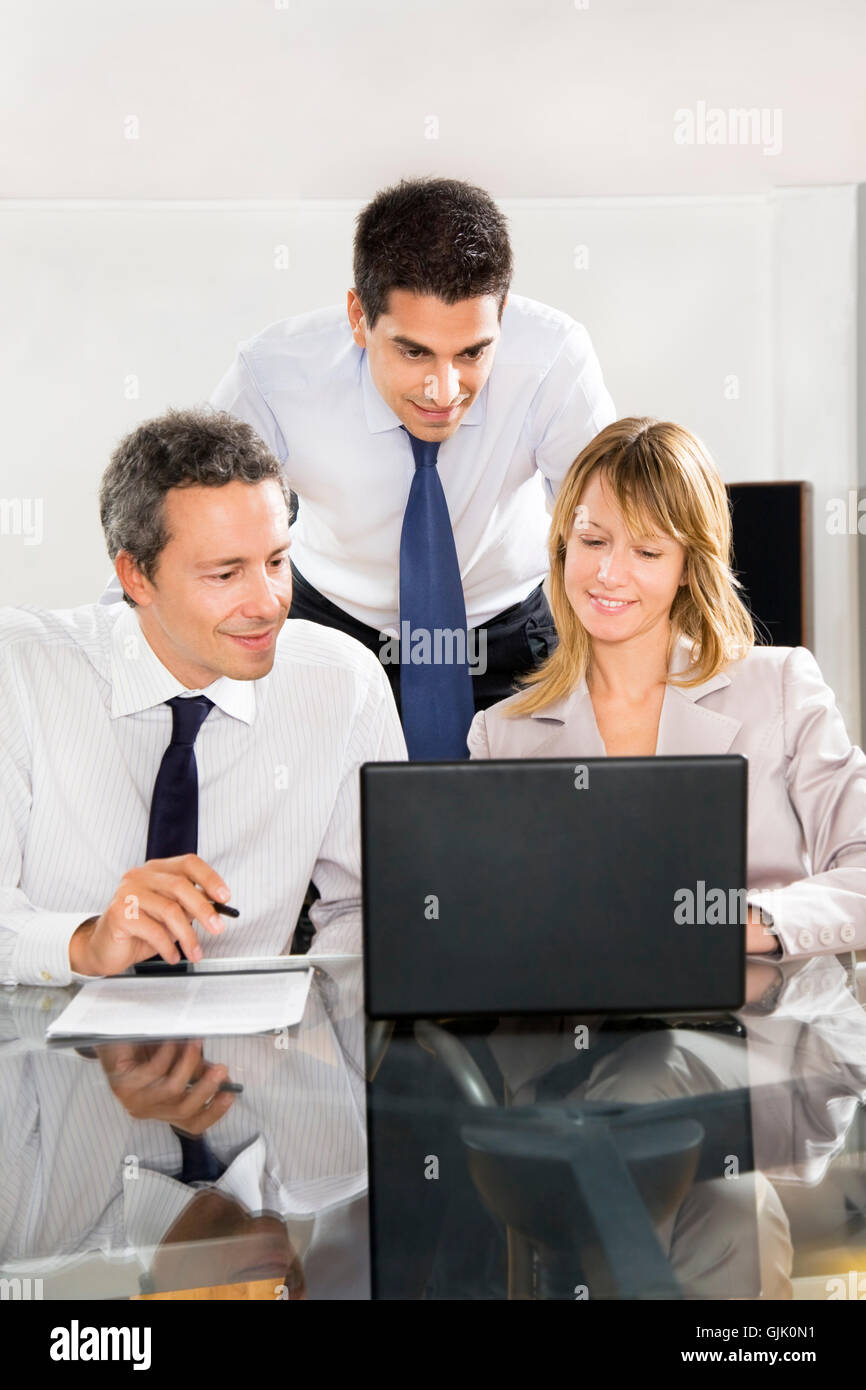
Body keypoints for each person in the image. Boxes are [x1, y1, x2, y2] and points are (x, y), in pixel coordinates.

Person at [202, 176, 616, 759]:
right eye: (414, 351)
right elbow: (195, 522)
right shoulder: (273, 375)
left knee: (526, 836)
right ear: (358, 318)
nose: (442, 390)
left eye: (472, 353)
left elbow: (613, 528)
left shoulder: (553, 358)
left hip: (504, 634)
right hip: (332, 628)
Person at [0, 408, 406, 988]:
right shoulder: (18, 667)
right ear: (135, 576)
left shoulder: (345, 682)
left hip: (258, 1063)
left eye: (276, 561)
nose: (268, 603)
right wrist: (87, 942)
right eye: (225, 574)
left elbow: (368, 908)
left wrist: (313, 1029)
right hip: (45, 1056)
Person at [467, 416, 866, 961]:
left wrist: (751, 926)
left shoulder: (782, 688)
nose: (609, 573)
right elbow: (489, 921)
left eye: (647, 552)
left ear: (686, 566)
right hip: (580, 1032)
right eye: (593, 540)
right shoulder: (500, 734)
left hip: (758, 1021)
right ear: (563, 544)